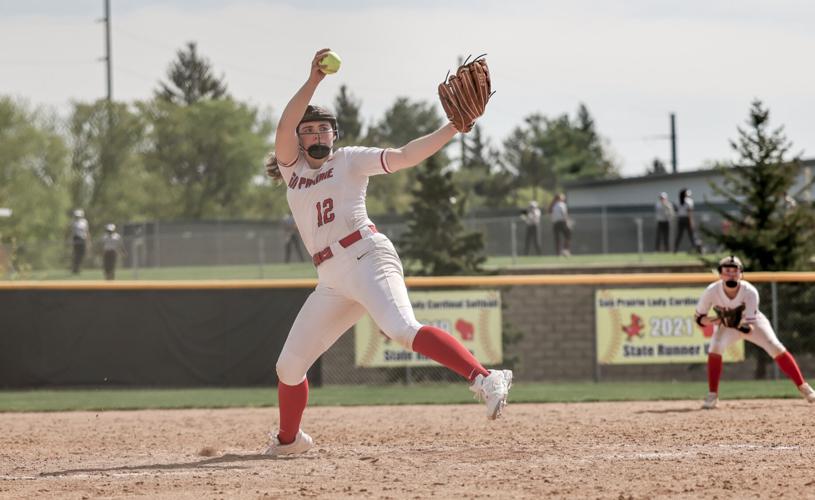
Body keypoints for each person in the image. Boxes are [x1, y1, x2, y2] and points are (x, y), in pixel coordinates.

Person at [263, 48, 513, 456]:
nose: (316, 135)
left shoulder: (348, 160)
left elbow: (404, 156)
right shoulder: (294, 172)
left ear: (334, 135)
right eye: (308, 131)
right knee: (288, 368)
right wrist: (313, 81)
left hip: (366, 255)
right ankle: (290, 440)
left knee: (401, 329)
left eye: (324, 129)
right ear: (298, 140)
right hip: (330, 280)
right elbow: (283, 125)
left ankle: (486, 378)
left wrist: (453, 127)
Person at [695, 255, 815, 409]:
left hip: (752, 323)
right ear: (720, 274)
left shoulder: (749, 291)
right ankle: (712, 395)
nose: (731, 274)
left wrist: (730, 320)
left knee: (775, 346)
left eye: (735, 271)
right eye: (727, 271)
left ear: (741, 274)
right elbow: (699, 318)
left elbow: (748, 327)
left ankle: (804, 387)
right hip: (727, 325)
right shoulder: (712, 291)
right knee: (715, 347)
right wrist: (720, 321)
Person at [673, 188, 702, 253]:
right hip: (687, 219)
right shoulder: (689, 201)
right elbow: (689, 213)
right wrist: (691, 222)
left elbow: (676, 211)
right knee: (692, 235)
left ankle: (675, 249)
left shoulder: (677, 201)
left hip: (680, 219)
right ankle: (696, 249)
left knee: (679, 235)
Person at [70, 209, 89, 274]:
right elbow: (72, 232)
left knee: (82, 254)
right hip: (76, 238)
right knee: (76, 254)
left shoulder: (84, 222)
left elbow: (86, 232)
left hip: (82, 239)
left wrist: (88, 240)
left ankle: (79, 267)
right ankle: (75, 268)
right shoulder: (73, 222)